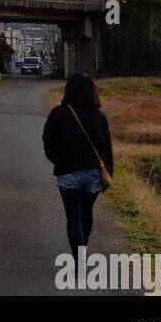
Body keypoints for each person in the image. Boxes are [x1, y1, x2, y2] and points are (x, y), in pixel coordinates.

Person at [42, 73, 114, 259]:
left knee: (73, 217)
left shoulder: (59, 113)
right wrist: (108, 173)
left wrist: (58, 161)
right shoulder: (100, 117)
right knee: (86, 212)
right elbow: (106, 148)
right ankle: (83, 250)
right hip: (94, 173)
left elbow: (48, 142)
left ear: (69, 90)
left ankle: (78, 260)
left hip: (68, 171)